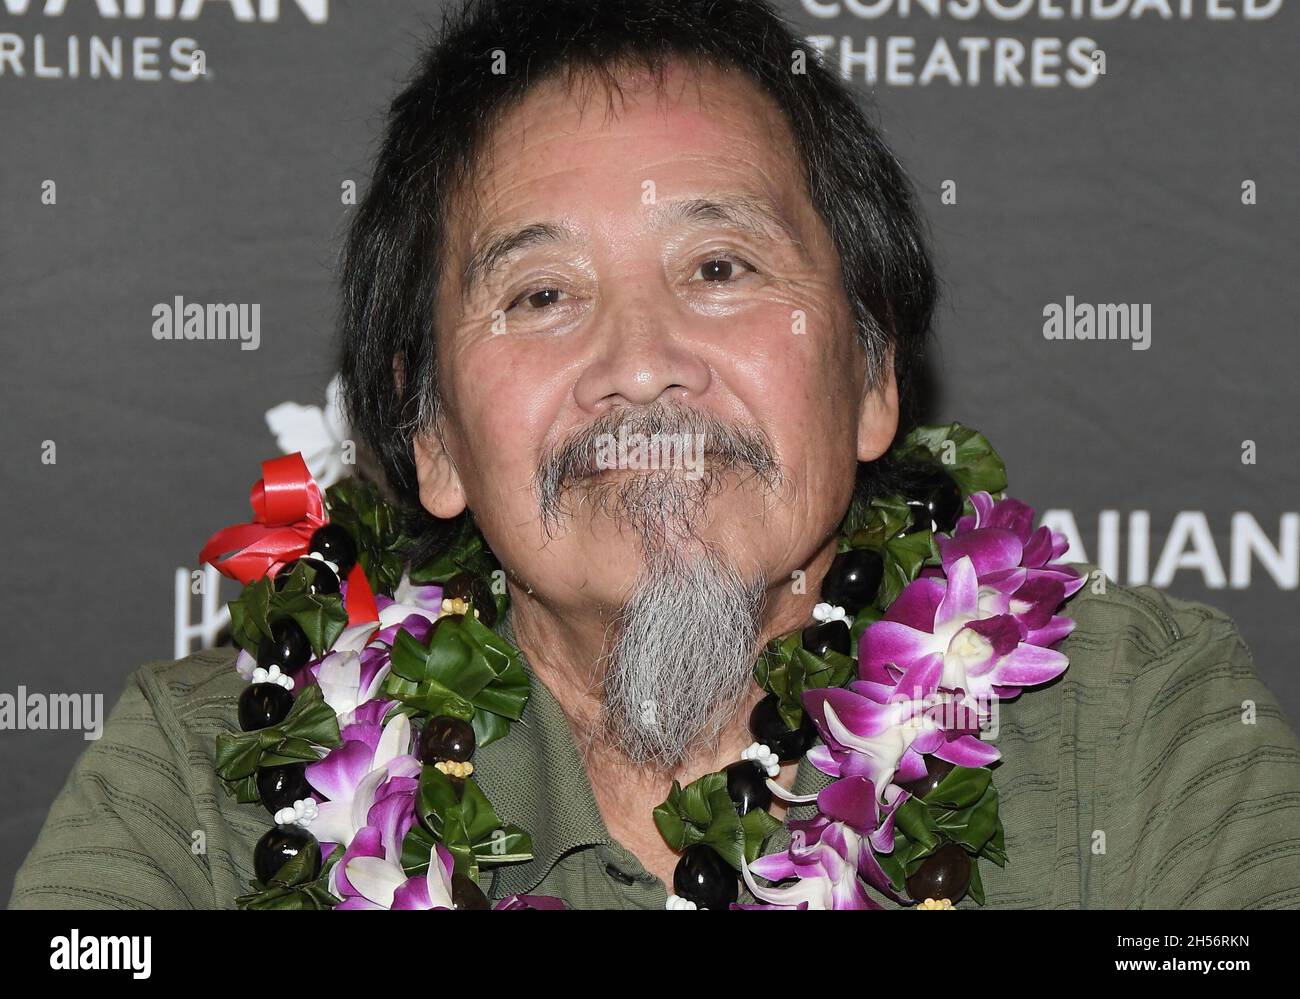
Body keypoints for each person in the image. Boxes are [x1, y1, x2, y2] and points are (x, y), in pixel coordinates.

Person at [12, 0, 1300, 910]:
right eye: (539, 295)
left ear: (869, 372)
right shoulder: (212, 784)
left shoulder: (1134, 727)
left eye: (721, 268)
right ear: (430, 436)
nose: (640, 361)